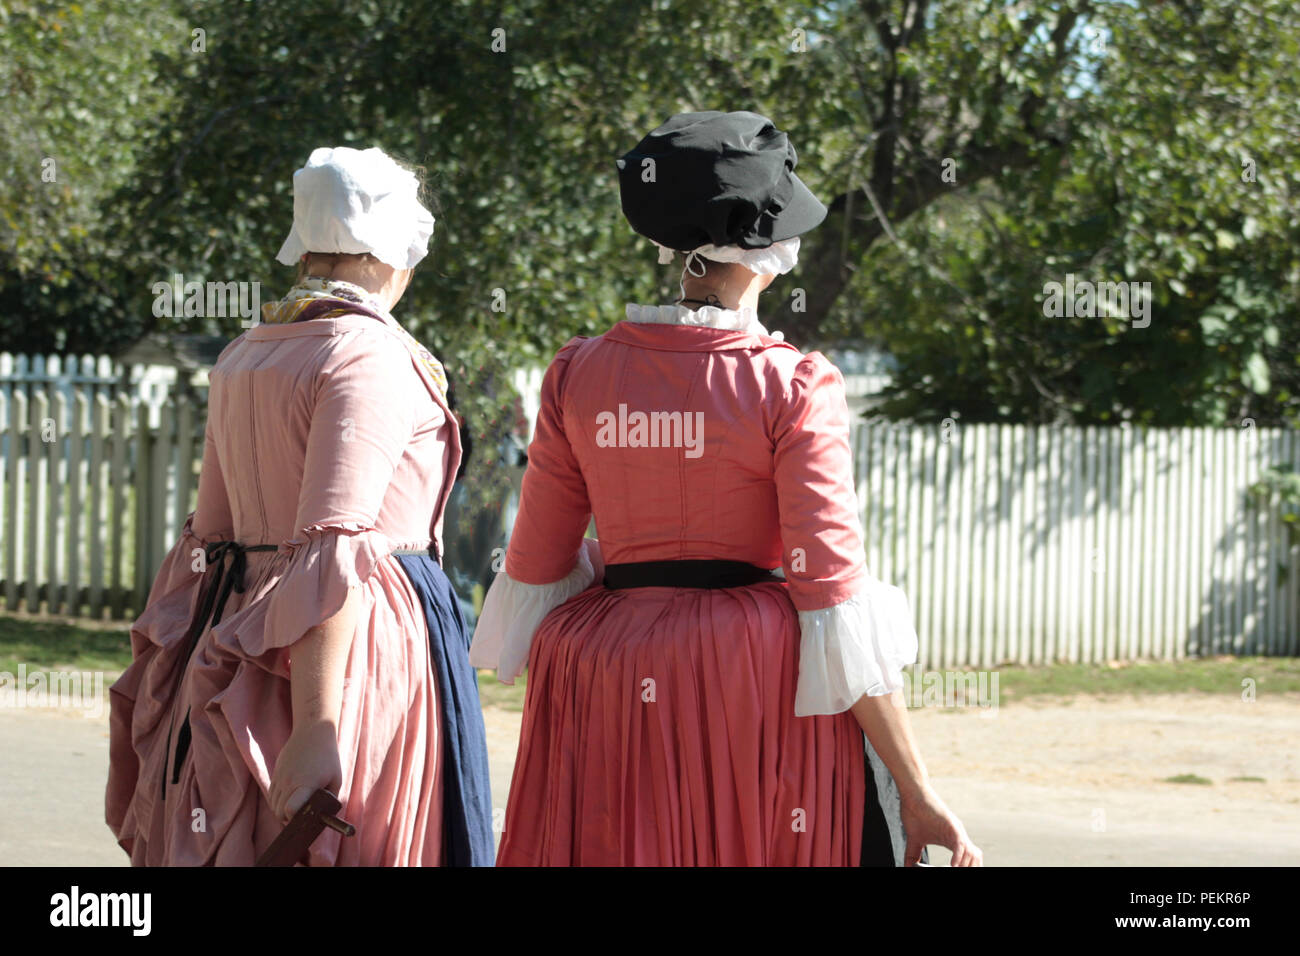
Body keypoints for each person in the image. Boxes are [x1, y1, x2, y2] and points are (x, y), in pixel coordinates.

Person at [470, 111, 982, 866]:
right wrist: (916, 787)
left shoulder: (577, 373)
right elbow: (830, 593)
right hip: (749, 676)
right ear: (764, 244)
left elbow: (537, 565)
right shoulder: (793, 384)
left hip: (607, 671)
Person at [106, 146, 493, 866]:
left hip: (237, 638)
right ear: (389, 253)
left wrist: (193, 681)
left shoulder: (247, 351)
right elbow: (334, 545)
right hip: (354, 653)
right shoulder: (367, 357)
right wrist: (317, 725)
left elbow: (211, 543)